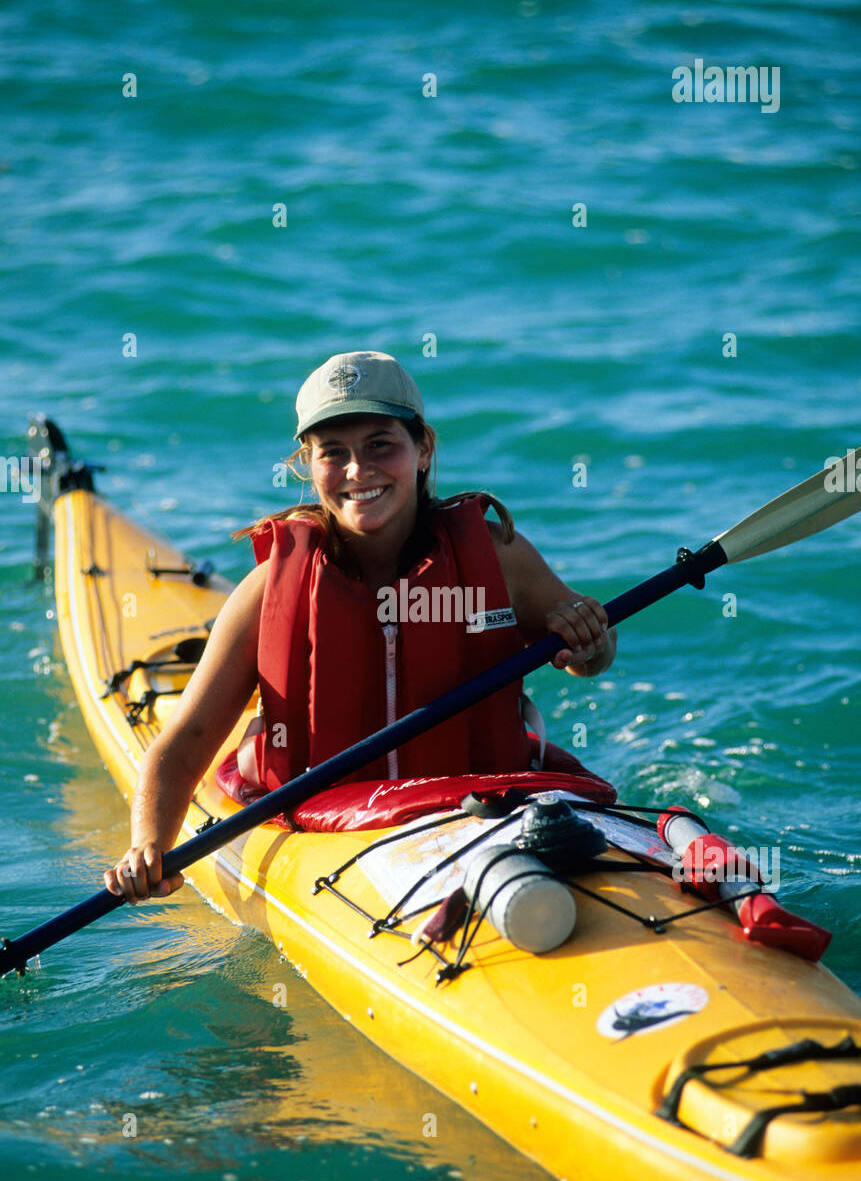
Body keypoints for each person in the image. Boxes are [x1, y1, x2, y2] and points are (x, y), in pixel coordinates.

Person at [105, 350, 617, 904]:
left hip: (482, 804)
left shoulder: (498, 559)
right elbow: (185, 743)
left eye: (380, 445)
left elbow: (593, 653)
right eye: (333, 453)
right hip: (326, 818)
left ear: (423, 448)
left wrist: (588, 640)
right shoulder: (269, 592)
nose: (357, 471)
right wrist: (147, 845)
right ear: (307, 463)